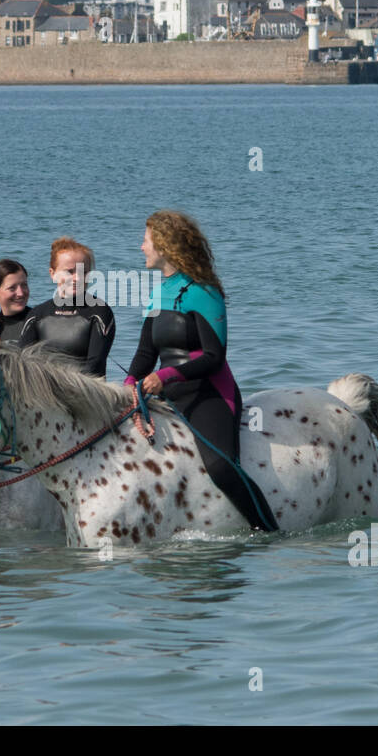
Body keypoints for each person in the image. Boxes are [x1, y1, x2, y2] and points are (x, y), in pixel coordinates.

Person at [125, 211, 279, 531]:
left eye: (146, 240)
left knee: (220, 467)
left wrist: (164, 377)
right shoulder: (158, 293)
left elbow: (214, 357)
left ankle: (268, 531)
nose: (141, 247)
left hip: (207, 393)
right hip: (167, 394)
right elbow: (145, 353)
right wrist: (127, 384)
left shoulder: (204, 292)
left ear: (165, 244)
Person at [20, 237, 115, 377]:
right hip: (44, 388)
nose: (77, 278)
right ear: (52, 274)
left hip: (87, 389)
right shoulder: (36, 315)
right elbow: (24, 366)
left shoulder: (99, 312)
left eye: (83, 272)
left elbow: (95, 366)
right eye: (69, 272)